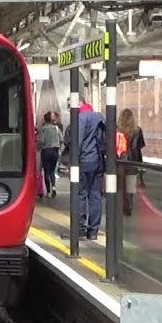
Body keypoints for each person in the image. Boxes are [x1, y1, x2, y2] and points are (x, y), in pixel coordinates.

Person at [64, 101, 107, 240]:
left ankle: (80, 228)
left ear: (78, 103)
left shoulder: (80, 118)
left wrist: (72, 163)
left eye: (70, 105)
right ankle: (93, 231)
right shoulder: (99, 116)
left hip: (84, 161)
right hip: (99, 161)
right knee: (95, 195)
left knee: (80, 194)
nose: (69, 108)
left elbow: (77, 142)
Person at [117, 108, 146, 215]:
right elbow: (140, 146)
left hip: (119, 160)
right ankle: (128, 206)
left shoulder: (117, 130)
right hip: (133, 160)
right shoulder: (137, 130)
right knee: (130, 185)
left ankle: (120, 205)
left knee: (120, 185)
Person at [37, 112, 62, 198]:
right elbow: (61, 139)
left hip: (46, 151)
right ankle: (54, 188)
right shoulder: (56, 128)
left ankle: (48, 191)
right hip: (55, 151)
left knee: (46, 172)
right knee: (52, 171)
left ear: (44, 120)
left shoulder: (43, 129)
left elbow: (42, 141)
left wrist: (38, 148)